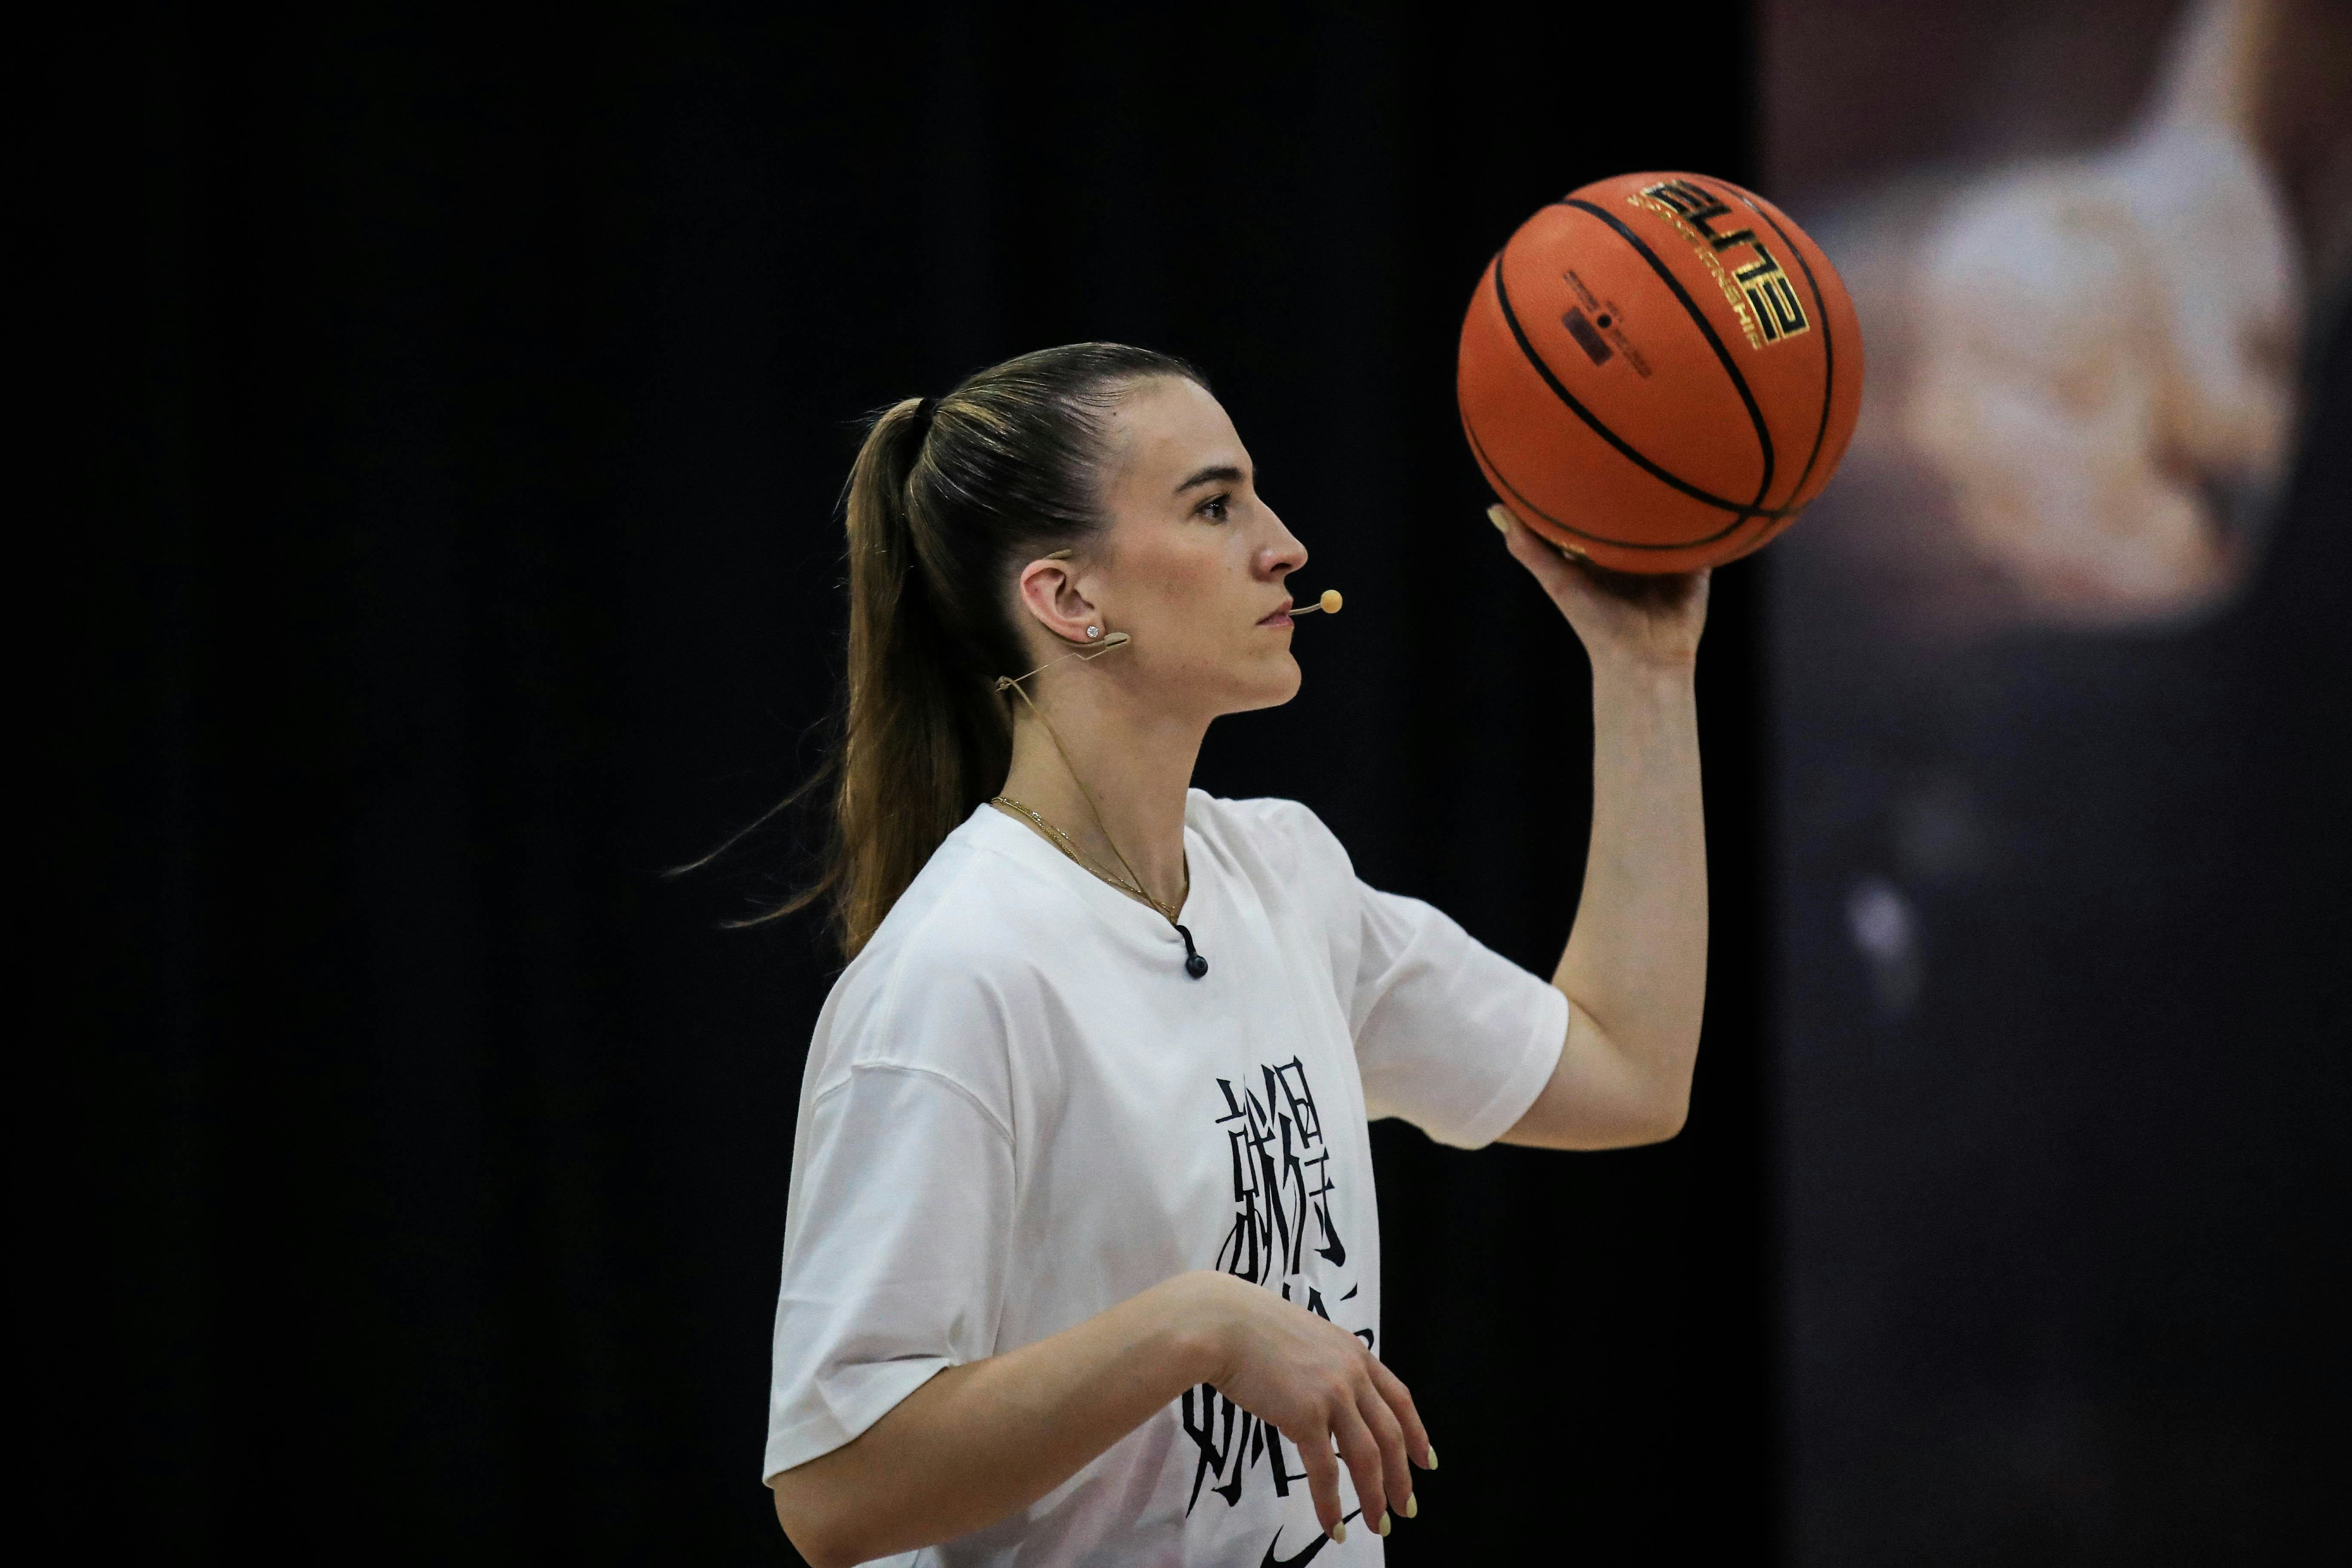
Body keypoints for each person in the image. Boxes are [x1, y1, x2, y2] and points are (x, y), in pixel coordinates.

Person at [760, 342, 1709, 1566]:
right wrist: (1192, 1329)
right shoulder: (959, 973)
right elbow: (835, 1495)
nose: (1284, 544)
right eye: (1214, 504)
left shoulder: (1283, 876)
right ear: (1071, 600)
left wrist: (1645, 671)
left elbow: (1628, 1075)